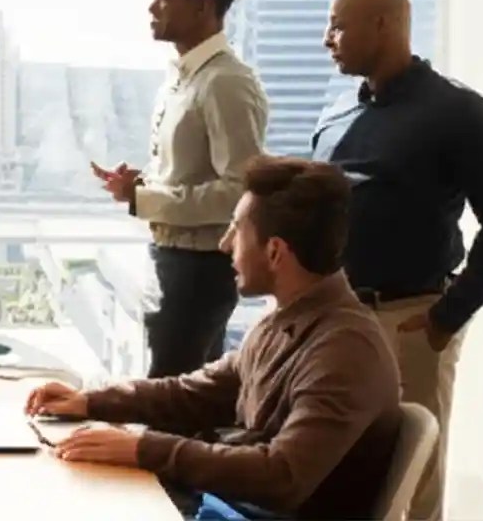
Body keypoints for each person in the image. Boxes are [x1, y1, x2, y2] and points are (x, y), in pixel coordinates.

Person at [27, 156, 401, 520]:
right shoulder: (286, 320)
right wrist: (90, 402)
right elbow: (194, 392)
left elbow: (282, 476)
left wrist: (143, 448)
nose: (225, 245)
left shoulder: (345, 349)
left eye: (236, 230)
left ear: (274, 252)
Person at [312, 0, 483, 521]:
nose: (327, 39)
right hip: (334, 320)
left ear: (384, 25)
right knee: (335, 468)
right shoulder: (338, 110)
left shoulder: (458, 112)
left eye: (339, 26)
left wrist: (447, 315)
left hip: (409, 318)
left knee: (411, 484)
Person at [93, 0, 268, 378]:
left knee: (171, 399)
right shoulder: (183, 76)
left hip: (201, 269)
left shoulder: (226, 82)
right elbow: (192, 173)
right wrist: (140, 185)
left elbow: (238, 191)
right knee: (175, 395)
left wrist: (146, 200)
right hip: (173, 262)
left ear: (204, 7)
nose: (152, 7)